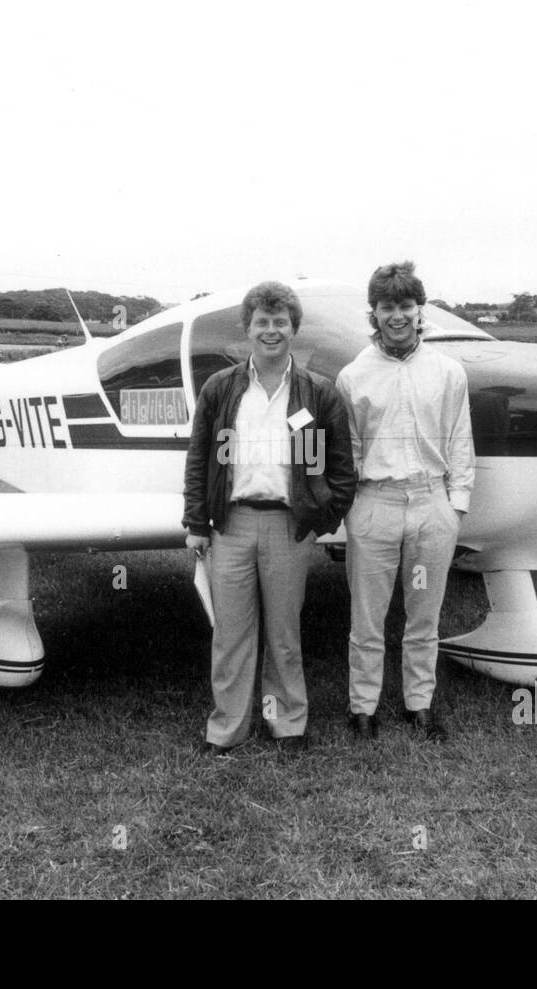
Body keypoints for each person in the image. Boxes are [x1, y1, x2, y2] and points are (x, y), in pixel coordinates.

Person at [183, 281, 356, 755]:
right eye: (262, 322)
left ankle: (286, 723)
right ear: (248, 329)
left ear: (294, 329)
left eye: (281, 322)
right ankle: (227, 729)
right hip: (232, 525)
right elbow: (200, 459)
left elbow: (340, 470)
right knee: (231, 634)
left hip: (287, 527)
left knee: (284, 634)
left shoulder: (317, 394)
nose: (272, 330)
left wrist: (318, 520)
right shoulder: (222, 388)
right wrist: (197, 523)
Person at [335, 261, 474, 742]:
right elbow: (348, 450)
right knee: (367, 618)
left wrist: (455, 507)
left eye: (406, 306)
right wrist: (354, 509)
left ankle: (419, 704)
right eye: (386, 306)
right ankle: (363, 707)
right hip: (374, 504)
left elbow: (460, 441)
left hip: (432, 505)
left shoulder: (449, 372)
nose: (397, 315)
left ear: (420, 311)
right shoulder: (353, 376)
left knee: (424, 615)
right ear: (373, 314)